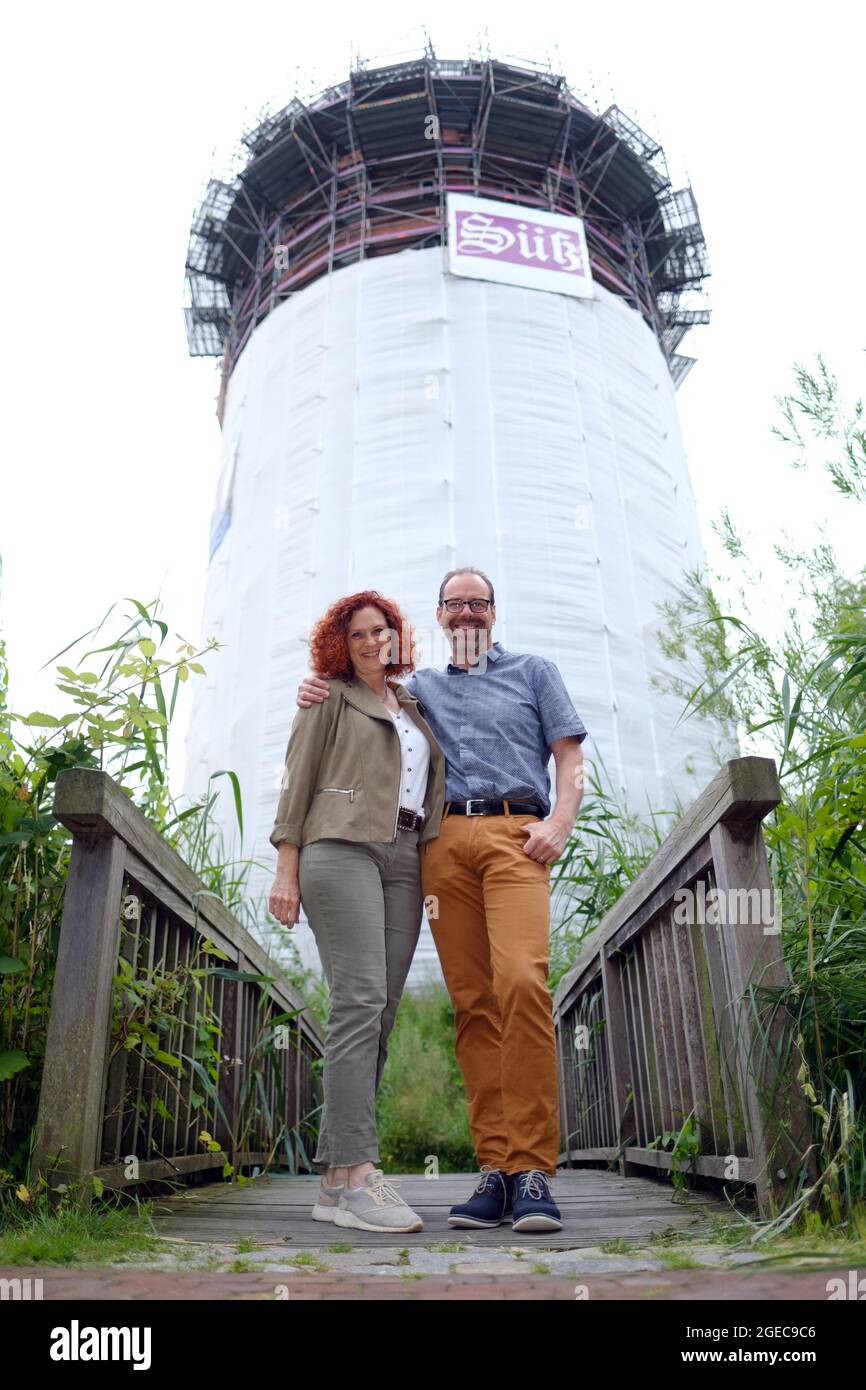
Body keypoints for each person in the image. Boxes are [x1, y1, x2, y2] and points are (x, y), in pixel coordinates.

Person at [297, 566, 587, 1233]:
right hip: (441, 845)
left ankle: (534, 1170)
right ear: (437, 614)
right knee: (474, 1004)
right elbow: (359, 688)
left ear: (493, 610)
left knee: (521, 982)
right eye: (453, 605)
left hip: (518, 834)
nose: (465, 615)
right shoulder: (416, 688)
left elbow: (569, 758)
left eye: (476, 603)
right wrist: (317, 685)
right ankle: (495, 1171)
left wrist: (560, 822)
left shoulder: (535, 672)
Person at [268, 589, 445, 1233]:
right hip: (340, 846)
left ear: (398, 637)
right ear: (341, 643)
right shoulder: (328, 697)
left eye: (383, 630)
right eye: (360, 633)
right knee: (359, 1000)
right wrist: (286, 865)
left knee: (383, 1011)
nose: (373, 641)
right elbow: (296, 780)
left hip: (405, 854)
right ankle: (359, 1172)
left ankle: (335, 1179)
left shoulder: (418, 705)